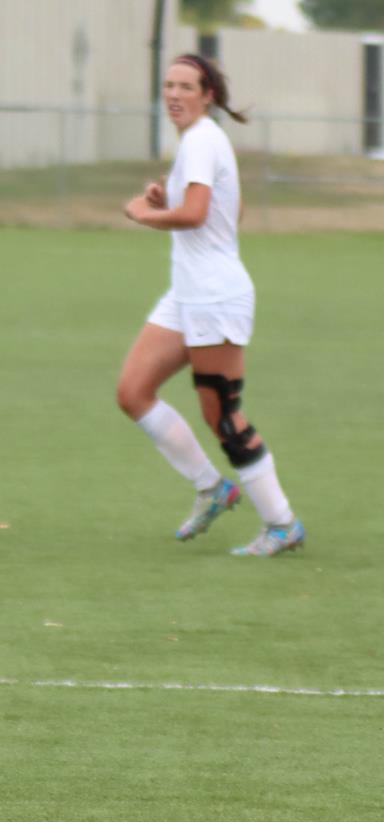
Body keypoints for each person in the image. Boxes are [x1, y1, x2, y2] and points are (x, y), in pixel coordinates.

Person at [117, 54, 304, 556]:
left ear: (208, 95)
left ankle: (282, 523)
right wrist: (167, 203)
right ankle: (211, 487)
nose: (174, 95)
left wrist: (142, 214)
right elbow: (229, 210)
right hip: (188, 293)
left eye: (185, 87)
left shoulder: (201, 139)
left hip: (215, 296)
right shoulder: (203, 142)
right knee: (133, 391)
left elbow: (199, 214)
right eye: (168, 85)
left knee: (223, 415)